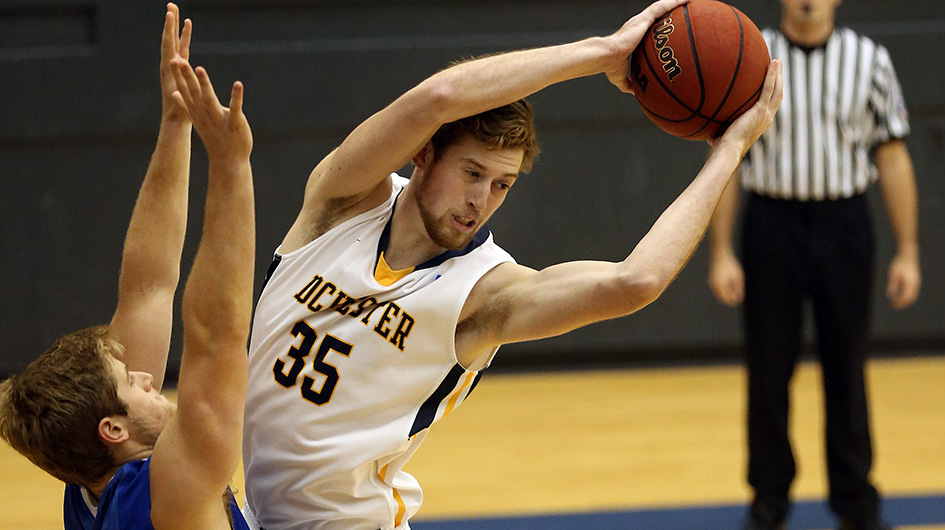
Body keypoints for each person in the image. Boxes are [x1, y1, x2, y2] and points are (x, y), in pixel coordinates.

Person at [239, 0, 782, 528]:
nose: (483, 199)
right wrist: (603, 52)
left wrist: (729, 152)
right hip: (245, 513)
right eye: (472, 173)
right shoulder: (342, 201)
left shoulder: (482, 294)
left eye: (502, 184)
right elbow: (441, 96)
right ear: (423, 153)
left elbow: (635, 280)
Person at [0, 4, 256, 529]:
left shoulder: (88, 480)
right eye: (130, 383)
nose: (147, 375)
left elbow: (149, 288)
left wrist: (175, 122)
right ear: (113, 429)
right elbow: (217, 337)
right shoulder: (173, 497)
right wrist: (231, 170)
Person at [705, 0, 920, 529]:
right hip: (771, 223)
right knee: (768, 370)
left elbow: (892, 157)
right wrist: (721, 250)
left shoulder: (869, 58)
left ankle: (855, 502)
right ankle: (768, 502)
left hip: (844, 223)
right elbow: (726, 159)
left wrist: (908, 250)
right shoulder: (751, 56)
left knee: (846, 366)